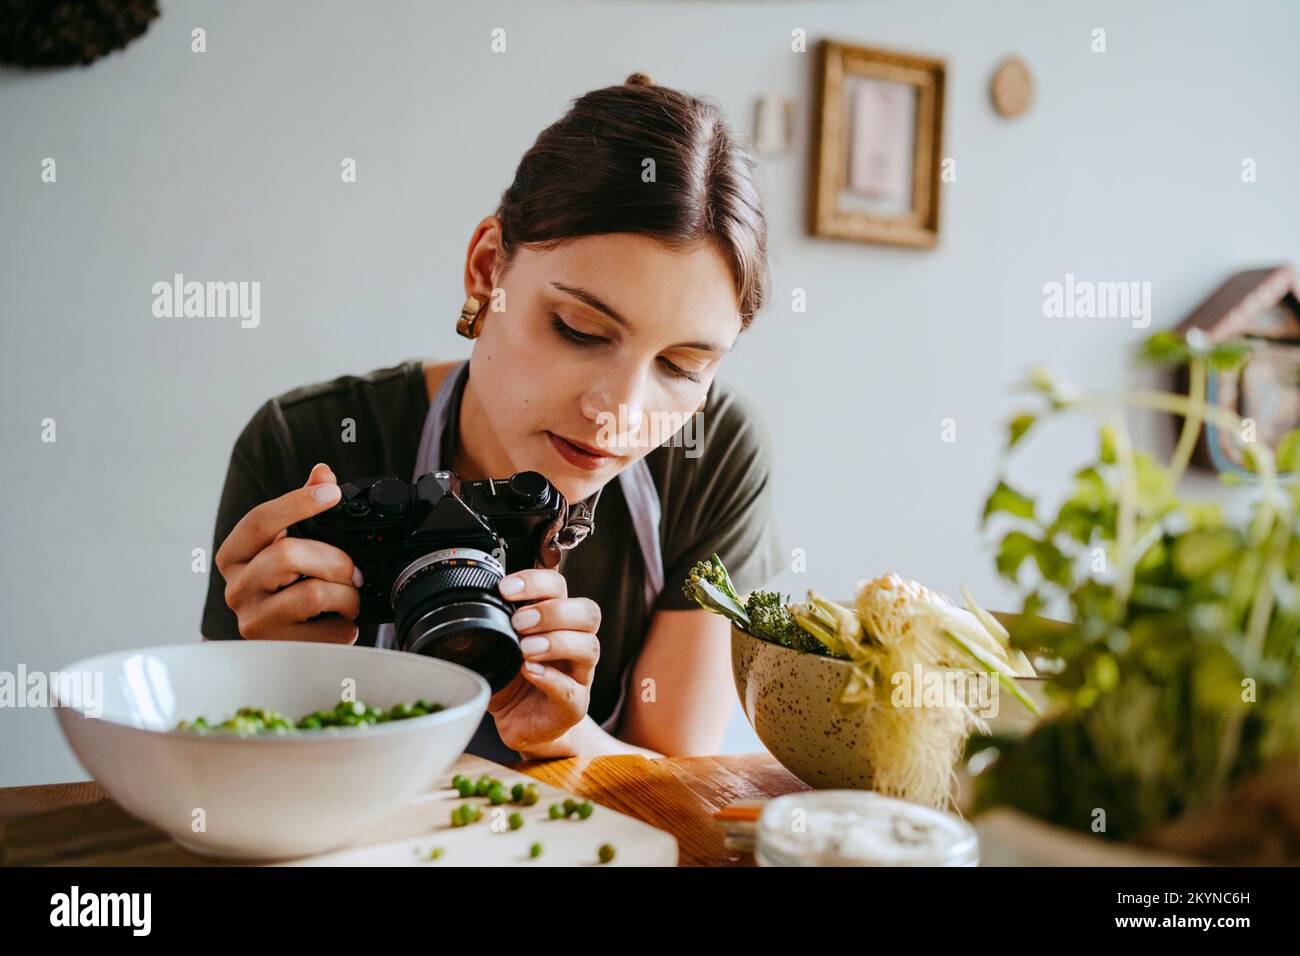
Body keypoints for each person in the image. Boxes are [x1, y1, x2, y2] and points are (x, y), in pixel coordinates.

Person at [201, 72, 783, 763]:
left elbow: (676, 784)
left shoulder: (711, 456)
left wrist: (567, 735)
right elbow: (230, 775)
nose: (619, 415)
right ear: (486, 269)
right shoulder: (303, 442)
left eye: (682, 367)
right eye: (578, 330)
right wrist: (272, 679)